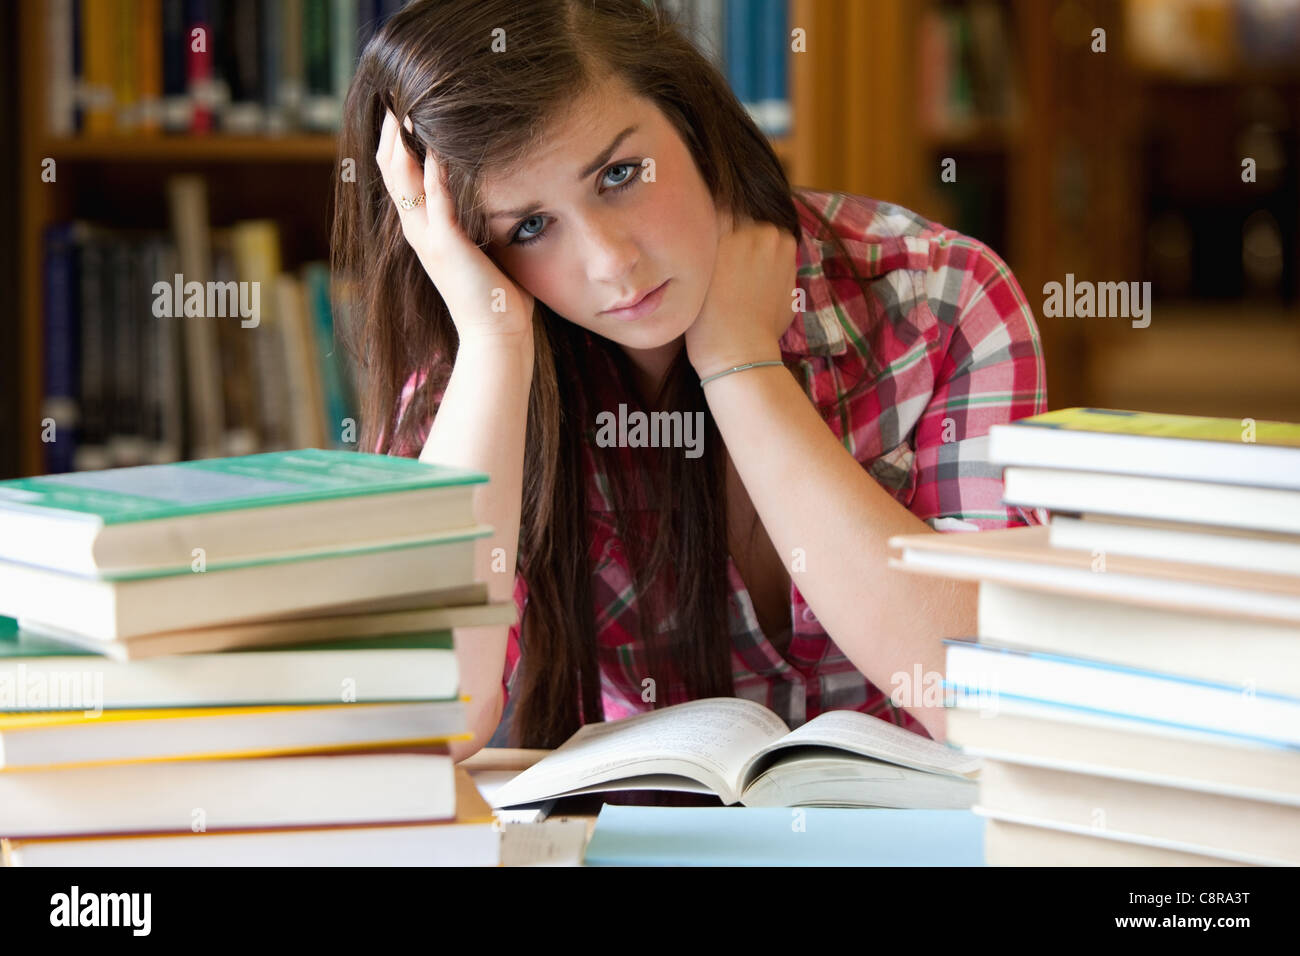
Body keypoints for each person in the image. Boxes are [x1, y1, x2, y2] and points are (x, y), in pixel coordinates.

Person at [331, 0, 1047, 758]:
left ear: (695, 122)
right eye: (529, 227)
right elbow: (425, 722)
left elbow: (992, 697)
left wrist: (741, 365)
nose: (611, 262)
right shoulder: (473, 375)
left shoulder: (943, 298)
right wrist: (493, 338)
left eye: (619, 174)